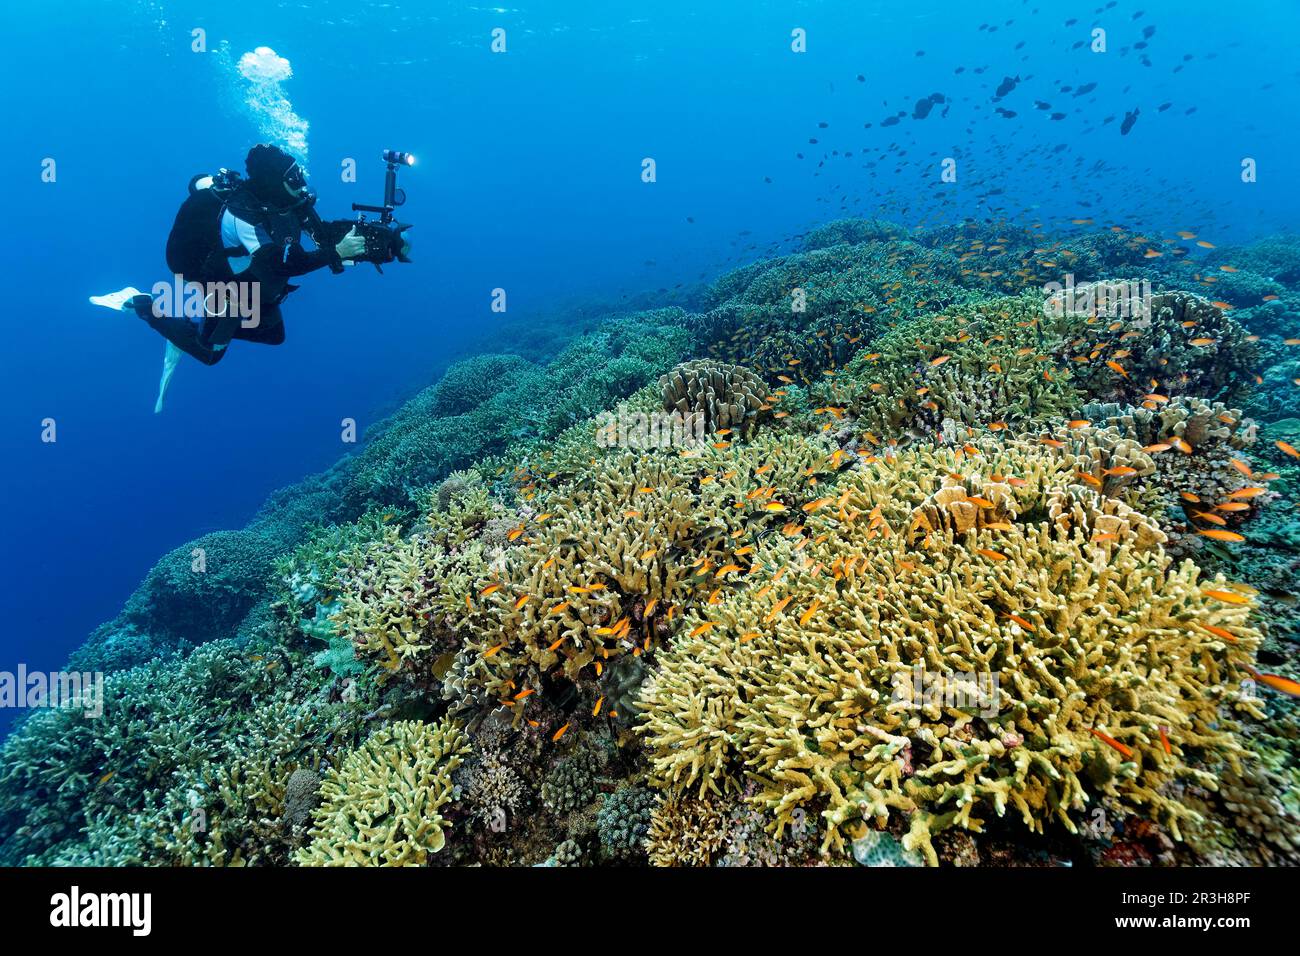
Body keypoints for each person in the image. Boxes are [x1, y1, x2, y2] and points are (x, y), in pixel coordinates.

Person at [94, 144, 368, 368]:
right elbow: (282, 263)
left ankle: (192, 328)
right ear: (276, 182)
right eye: (294, 178)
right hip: (218, 280)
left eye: (301, 174)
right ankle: (144, 306)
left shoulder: (287, 199)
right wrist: (335, 253)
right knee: (210, 353)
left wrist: (375, 237)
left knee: (275, 335)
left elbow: (321, 231)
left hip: (247, 276)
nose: (303, 184)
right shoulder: (243, 215)